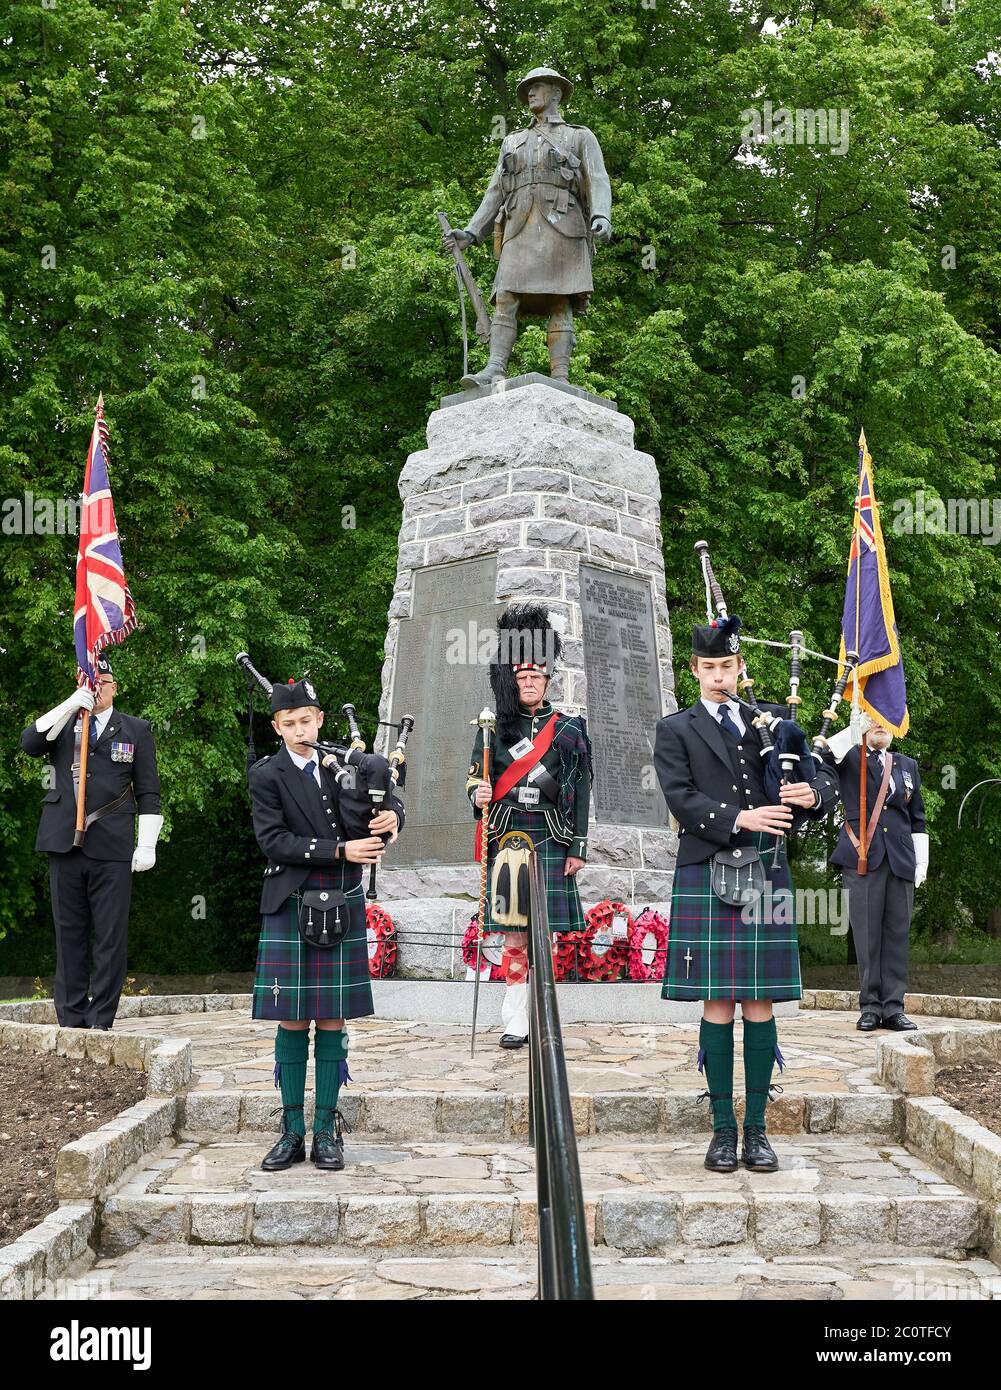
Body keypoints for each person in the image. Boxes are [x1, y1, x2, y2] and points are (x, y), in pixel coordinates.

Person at [654, 616, 839, 1173]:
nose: (717, 677)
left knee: (759, 1001)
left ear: (740, 667)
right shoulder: (675, 729)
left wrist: (813, 794)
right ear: (694, 670)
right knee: (717, 999)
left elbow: (823, 773)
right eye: (707, 668)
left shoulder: (776, 722)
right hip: (707, 865)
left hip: (767, 867)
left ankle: (756, 1129)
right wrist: (742, 816)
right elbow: (681, 798)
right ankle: (720, 1131)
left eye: (726, 667)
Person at [249, 675, 404, 1172]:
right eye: (289, 723)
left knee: (333, 1018)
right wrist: (340, 849)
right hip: (292, 899)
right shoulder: (266, 775)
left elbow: (381, 797)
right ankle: (291, 1129)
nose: (299, 730)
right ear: (277, 726)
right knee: (292, 1017)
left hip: (341, 898)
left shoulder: (341, 767)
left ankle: (325, 1129)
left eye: (306, 721)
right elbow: (273, 841)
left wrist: (392, 818)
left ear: (319, 720)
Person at [467, 604, 591, 1047]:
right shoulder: (492, 730)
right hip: (509, 835)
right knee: (515, 931)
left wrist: (578, 846)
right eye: (521, 678)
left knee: (545, 933)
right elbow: (474, 780)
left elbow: (579, 790)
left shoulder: (570, 730)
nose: (529, 683)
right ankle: (514, 1019)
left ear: (548, 679)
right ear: (511, 680)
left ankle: (542, 1011)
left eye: (536, 677)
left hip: (552, 836)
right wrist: (477, 795)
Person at [441, 65, 612, 387]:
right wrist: (472, 232)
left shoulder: (579, 135)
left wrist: (601, 215)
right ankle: (494, 368)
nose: (530, 93)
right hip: (519, 225)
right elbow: (495, 191)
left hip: (565, 224)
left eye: (538, 87)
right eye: (527, 89)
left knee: (560, 300)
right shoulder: (512, 141)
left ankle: (560, 375)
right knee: (505, 295)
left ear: (556, 93)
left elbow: (598, 178)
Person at [20, 655, 162, 1030]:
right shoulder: (64, 724)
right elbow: (30, 743)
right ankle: (71, 1019)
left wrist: (146, 844)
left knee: (110, 936)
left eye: (103, 680)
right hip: (64, 842)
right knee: (68, 933)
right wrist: (70, 703)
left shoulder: (135, 729)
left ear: (115, 687)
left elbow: (149, 792)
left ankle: (101, 1021)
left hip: (112, 847)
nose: (96, 686)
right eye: (89, 679)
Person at [821, 714, 928, 1032]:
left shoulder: (907, 764)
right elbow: (821, 755)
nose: (880, 725)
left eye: (885, 720)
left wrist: (920, 862)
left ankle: (894, 1008)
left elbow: (917, 818)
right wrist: (856, 726)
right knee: (866, 936)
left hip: (900, 860)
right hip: (862, 857)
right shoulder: (851, 756)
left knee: (897, 936)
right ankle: (870, 1006)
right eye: (874, 720)